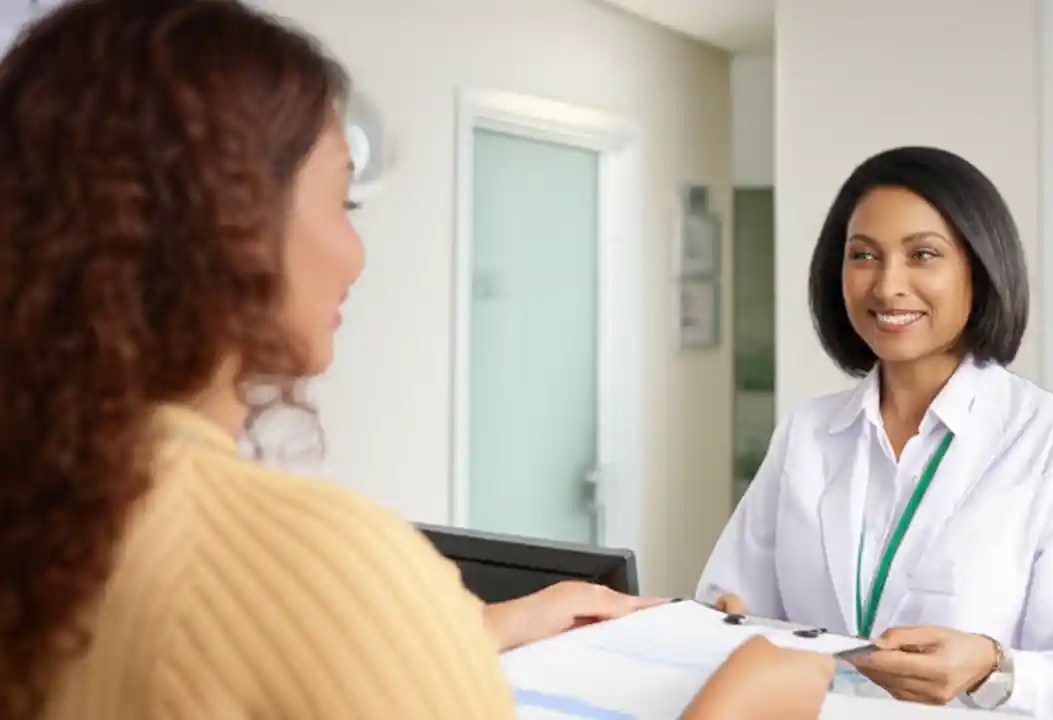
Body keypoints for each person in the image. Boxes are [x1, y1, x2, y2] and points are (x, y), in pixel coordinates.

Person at [0, 1, 835, 718]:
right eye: (343, 198)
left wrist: (477, 627)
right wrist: (732, 708)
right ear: (232, 227)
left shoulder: (49, 501)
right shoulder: (321, 563)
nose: (357, 251)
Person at [696, 146, 1053, 718]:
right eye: (864, 256)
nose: (886, 287)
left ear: (979, 270)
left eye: (923, 255)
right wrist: (722, 621)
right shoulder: (807, 432)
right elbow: (729, 602)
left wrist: (990, 667)